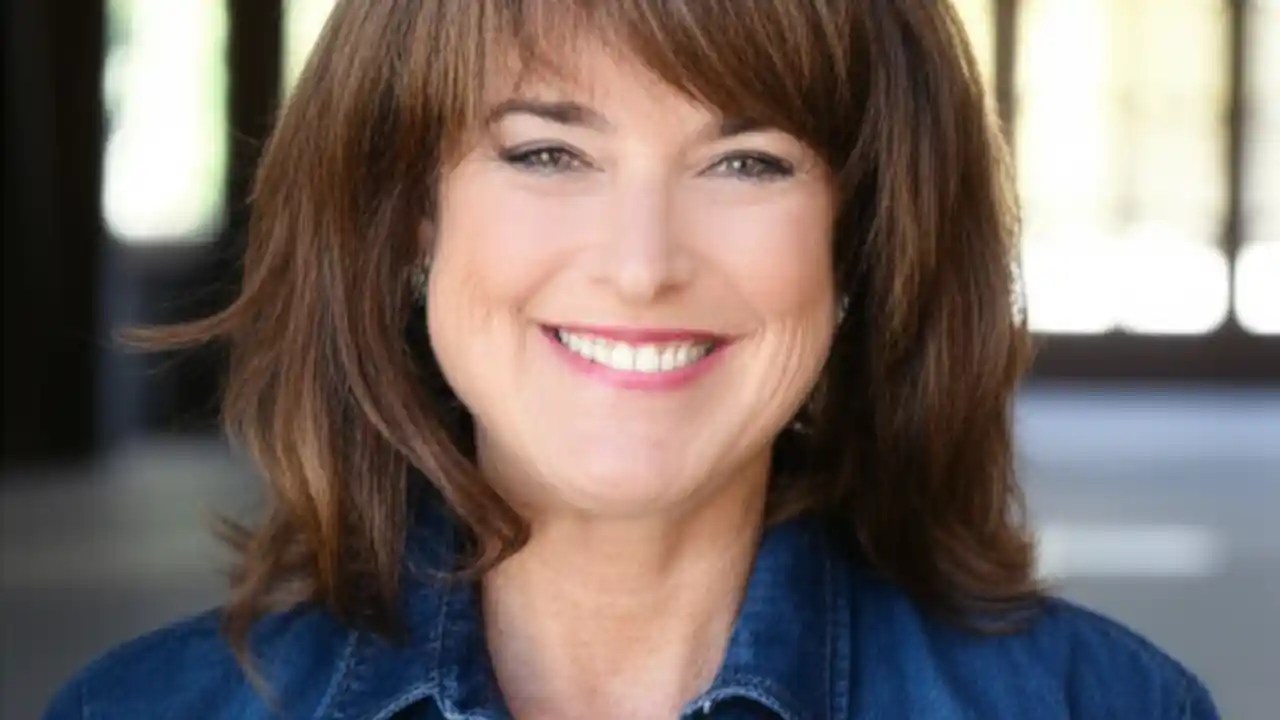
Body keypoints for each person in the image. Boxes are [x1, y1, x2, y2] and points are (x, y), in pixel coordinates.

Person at [45, 1, 1219, 718]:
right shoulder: (137, 711)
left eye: (747, 162)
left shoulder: (1099, 708)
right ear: (406, 209)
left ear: (859, 234)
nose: (641, 265)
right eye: (549, 153)